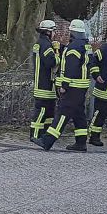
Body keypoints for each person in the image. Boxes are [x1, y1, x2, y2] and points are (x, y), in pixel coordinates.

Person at [37, 19, 93, 152]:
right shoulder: (86, 46)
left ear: (72, 32)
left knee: (63, 113)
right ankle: (81, 143)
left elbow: (71, 67)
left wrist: (64, 85)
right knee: (79, 114)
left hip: (72, 87)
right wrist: (62, 48)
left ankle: (47, 140)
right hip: (81, 87)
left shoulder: (73, 47)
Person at [29, 20, 59, 142]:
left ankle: (45, 134)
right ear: (48, 32)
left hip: (43, 84)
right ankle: (35, 135)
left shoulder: (40, 43)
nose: (55, 33)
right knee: (41, 112)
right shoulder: (46, 45)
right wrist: (57, 52)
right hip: (45, 85)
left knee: (48, 113)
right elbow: (50, 62)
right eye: (54, 31)